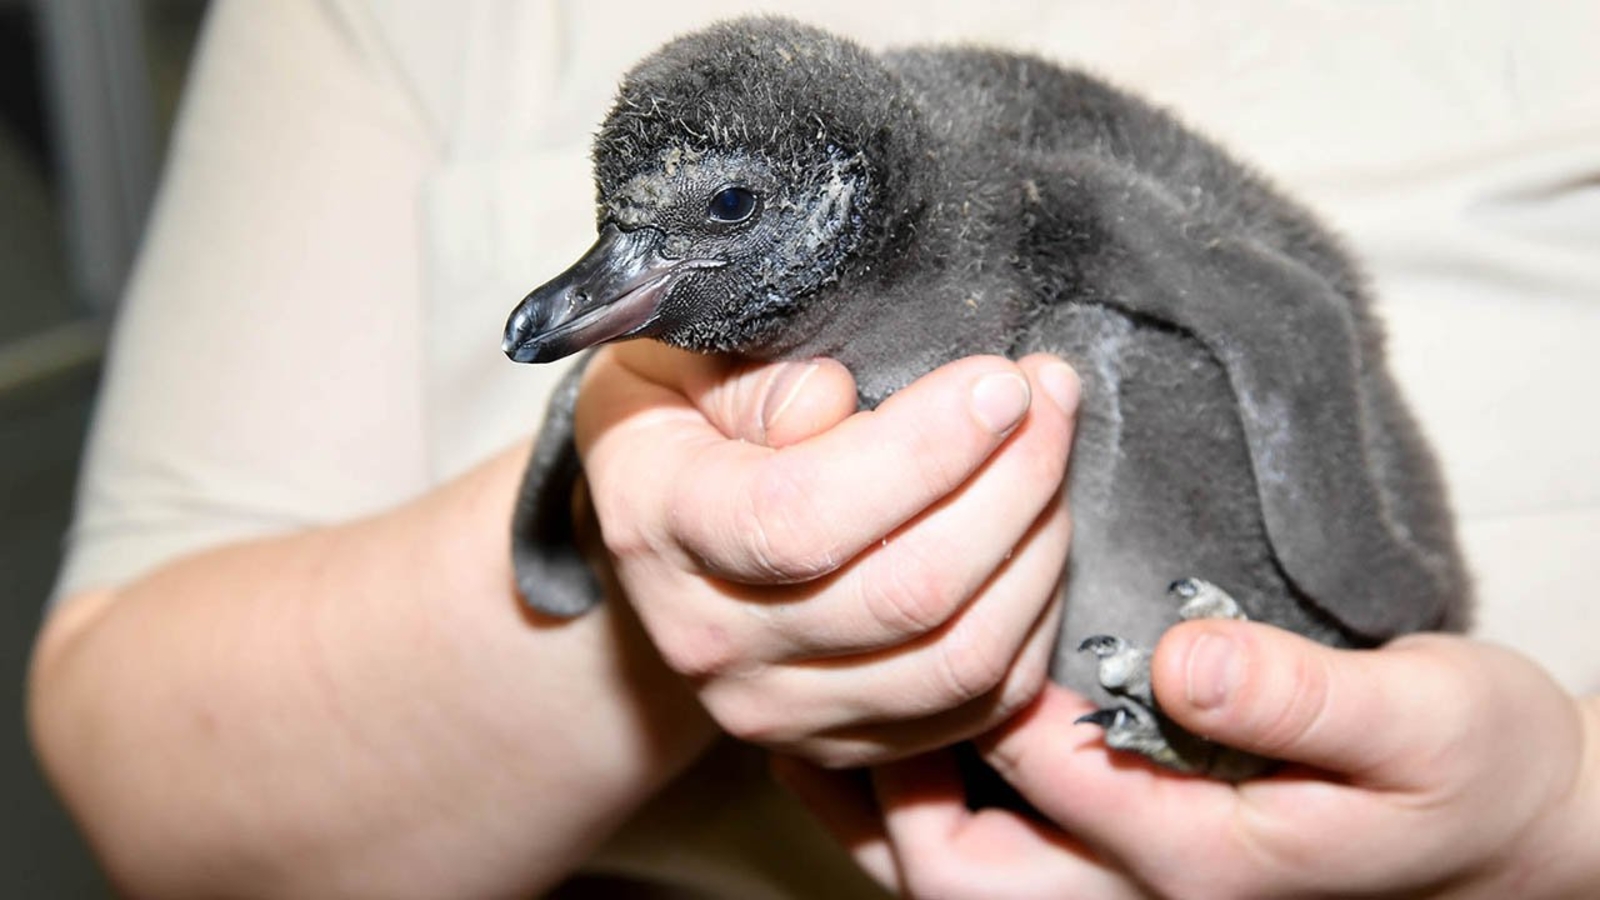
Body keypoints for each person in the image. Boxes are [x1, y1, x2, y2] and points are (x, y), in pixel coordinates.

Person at [27, 1, 1600, 898]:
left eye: (711, 220)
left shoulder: (1011, 198)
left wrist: (1542, 813)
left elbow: (1269, 309)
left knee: (1105, 359)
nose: (610, 280)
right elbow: (142, 771)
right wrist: (657, 548)